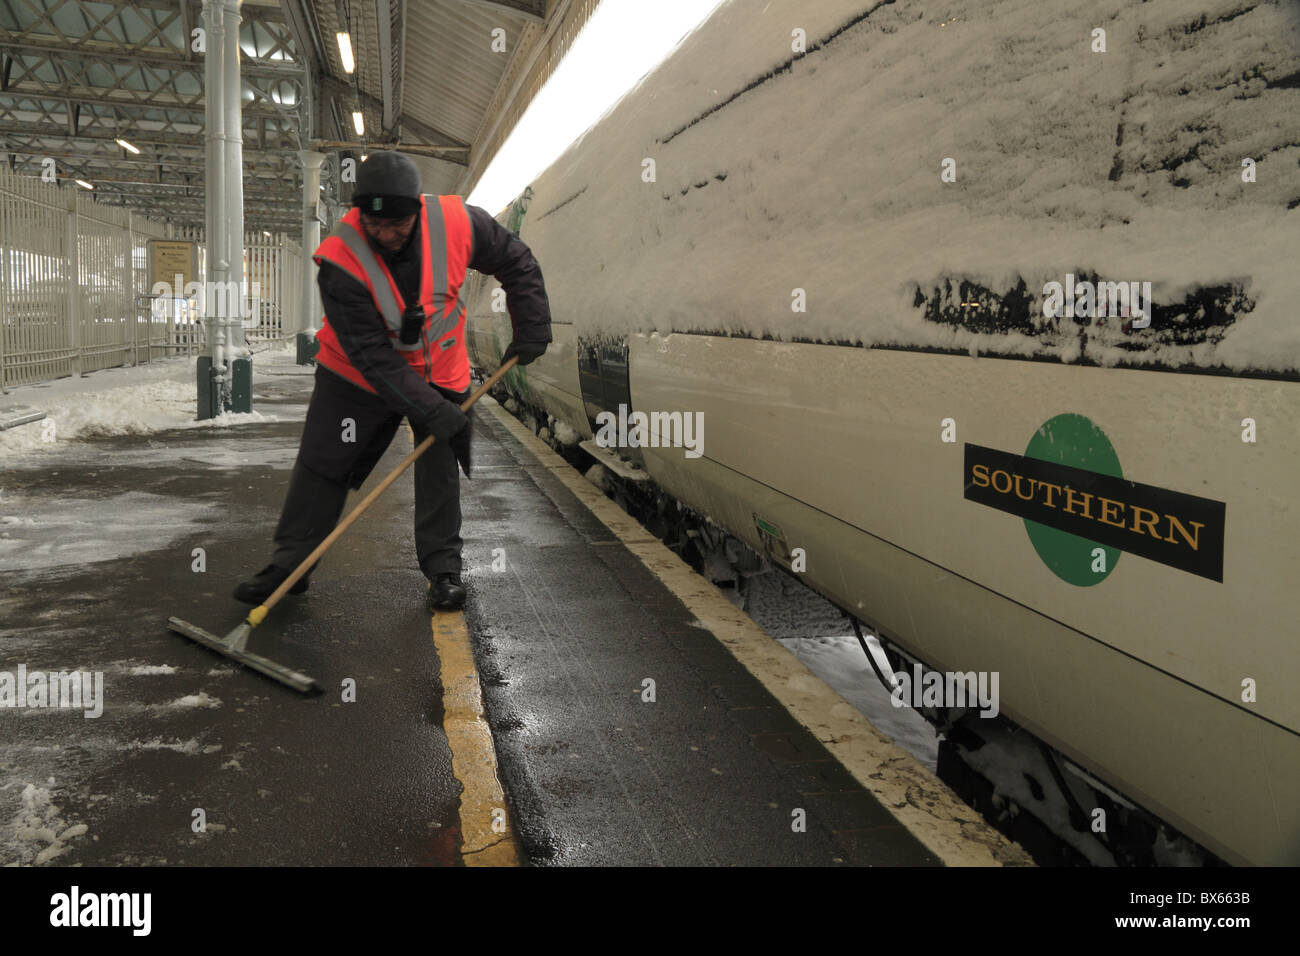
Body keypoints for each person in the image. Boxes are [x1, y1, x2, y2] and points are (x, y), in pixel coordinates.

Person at [234, 151, 550, 611]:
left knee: (438, 464)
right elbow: (373, 357)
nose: (386, 234)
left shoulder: (459, 223)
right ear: (361, 213)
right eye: (375, 225)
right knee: (324, 464)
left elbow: (517, 261)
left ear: (416, 211)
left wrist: (532, 326)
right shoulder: (340, 261)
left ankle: (443, 571)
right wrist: (429, 408)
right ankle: (290, 567)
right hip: (355, 375)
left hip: (440, 367)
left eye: (397, 224)